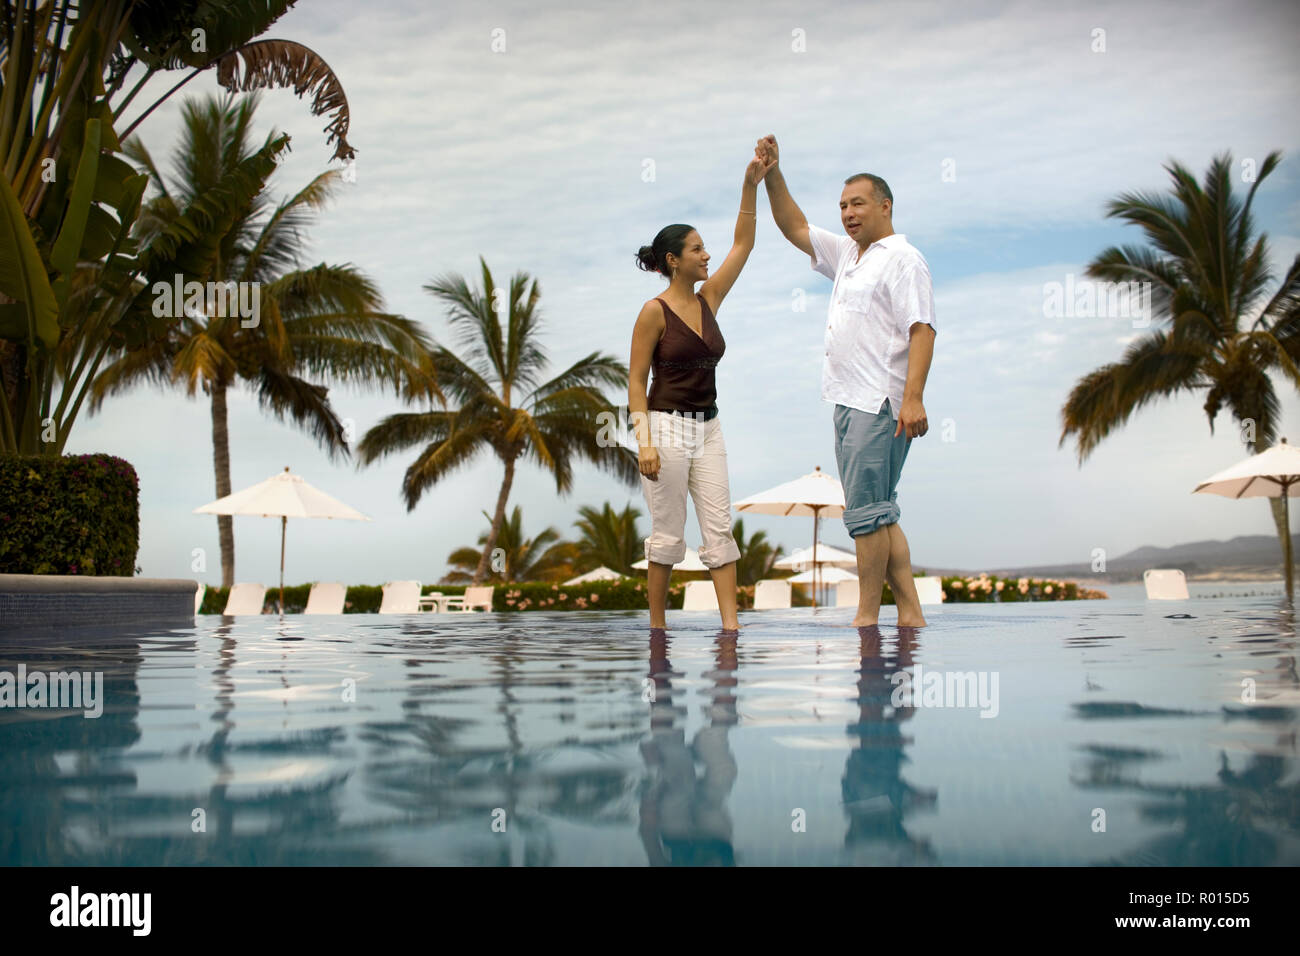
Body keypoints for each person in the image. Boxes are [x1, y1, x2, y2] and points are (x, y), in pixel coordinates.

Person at [755, 134, 936, 627]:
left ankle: (865, 616)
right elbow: (792, 225)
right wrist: (773, 173)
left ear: (885, 205)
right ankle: (911, 614)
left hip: (880, 402)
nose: (848, 213)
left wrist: (912, 399)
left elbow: (922, 330)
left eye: (857, 203)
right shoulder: (850, 255)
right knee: (879, 511)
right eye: (841, 206)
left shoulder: (903, 259)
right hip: (846, 400)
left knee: (862, 515)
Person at [627, 154, 770, 631]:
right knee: (668, 535)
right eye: (697, 249)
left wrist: (751, 184)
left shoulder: (710, 300)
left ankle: (731, 628)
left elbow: (744, 244)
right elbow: (635, 382)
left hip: (709, 427)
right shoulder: (654, 312)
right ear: (673, 260)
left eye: (706, 248)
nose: (707, 255)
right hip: (665, 429)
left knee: (719, 529)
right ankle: (657, 629)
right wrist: (644, 442)